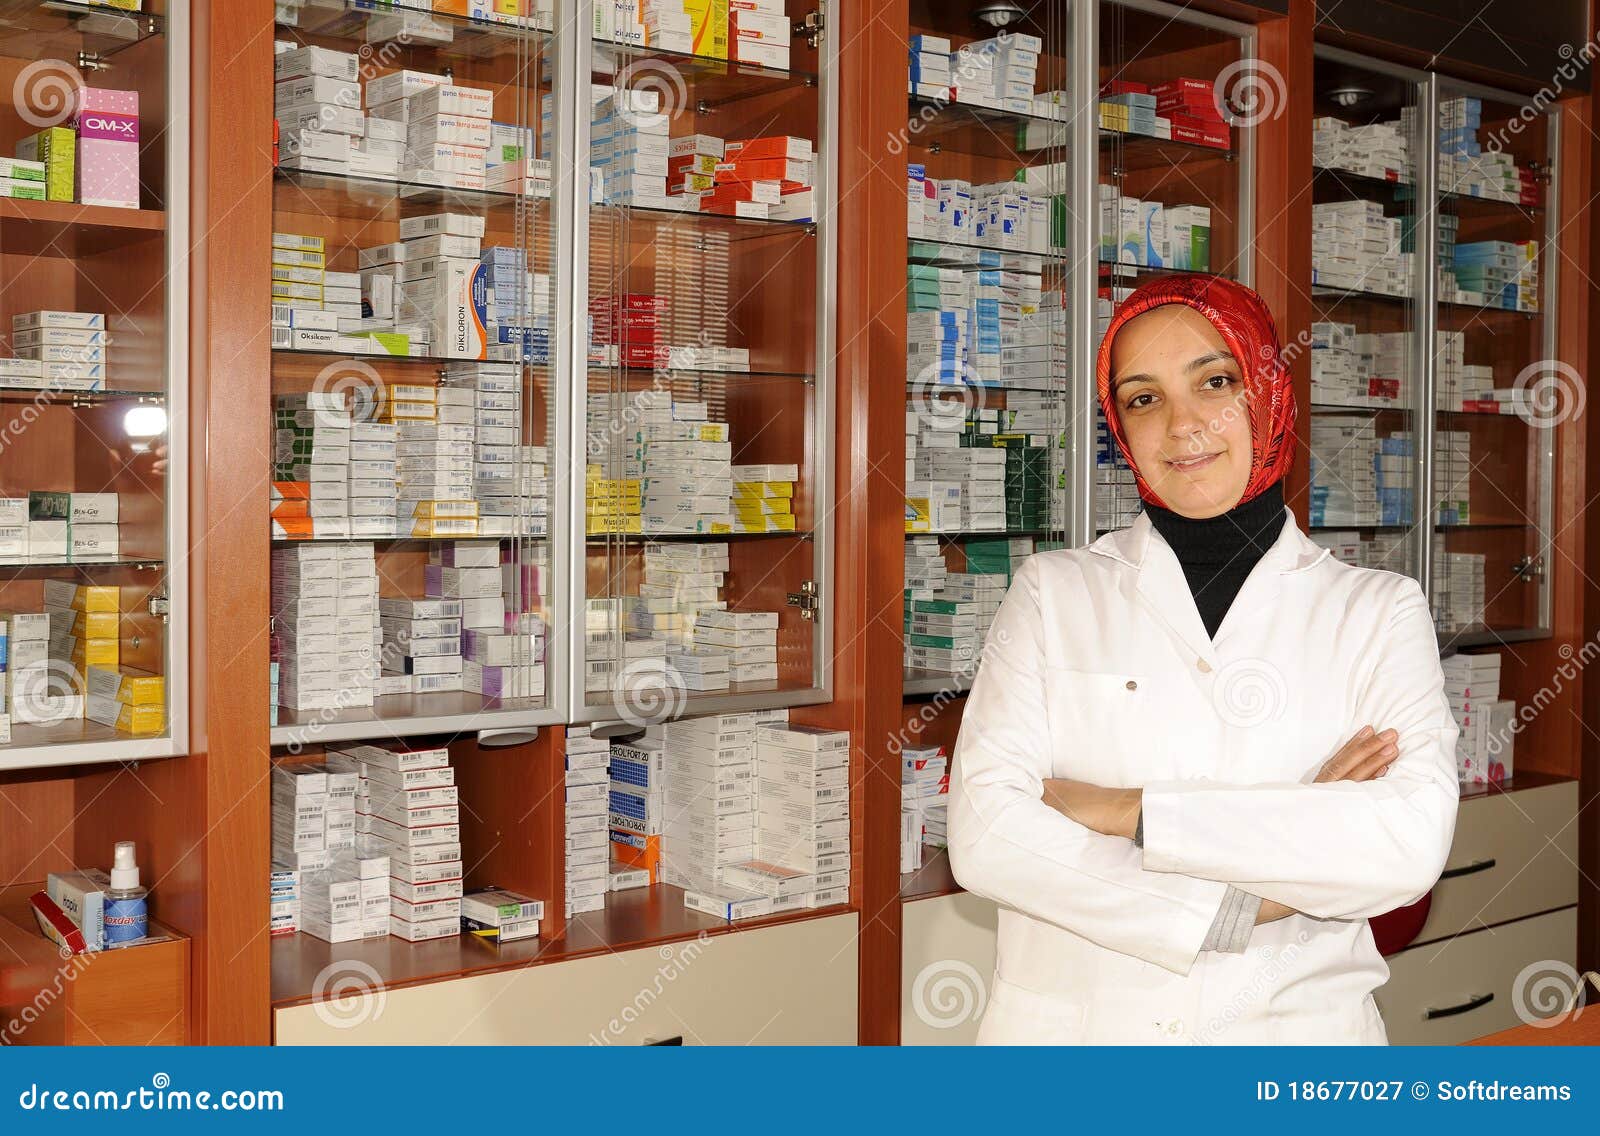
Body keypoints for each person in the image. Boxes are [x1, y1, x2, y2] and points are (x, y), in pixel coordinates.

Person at [946, 275, 1460, 1045]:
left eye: (1216, 382)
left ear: (1268, 392)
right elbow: (987, 837)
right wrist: (1273, 870)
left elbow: (1404, 847)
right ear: (1118, 426)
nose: (1183, 425)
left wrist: (1131, 811)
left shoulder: (1378, 610)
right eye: (1142, 398)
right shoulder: (1054, 593)